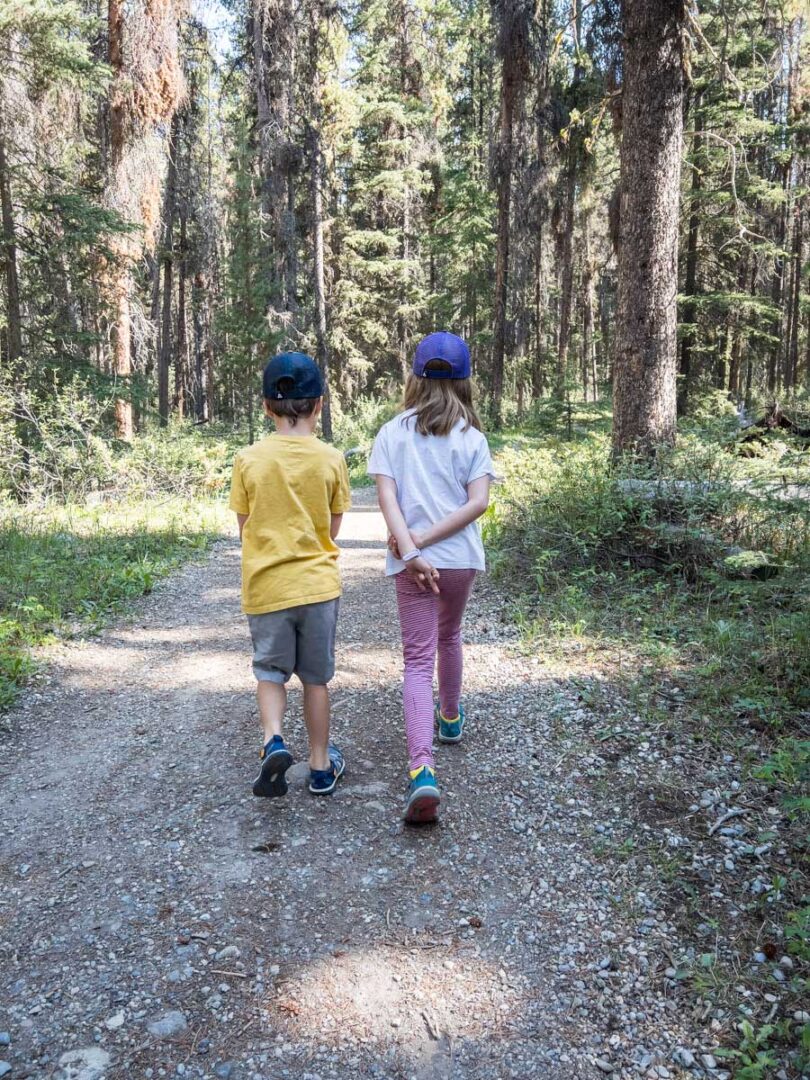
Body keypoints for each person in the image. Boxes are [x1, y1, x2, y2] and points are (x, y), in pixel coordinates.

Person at [368, 332, 495, 824]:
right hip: (460, 558)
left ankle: (423, 770)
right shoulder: (472, 437)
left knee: (417, 660)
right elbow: (477, 503)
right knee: (451, 635)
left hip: (411, 561)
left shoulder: (391, 432)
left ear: (414, 377)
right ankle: (450, 717)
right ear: (465, 381)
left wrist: (411, 546)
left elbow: (387, 503)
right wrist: (425, 543)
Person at [229, 352, 351, 798]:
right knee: (315, 680)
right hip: (318, 587)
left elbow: (245, 528)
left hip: (267, 585)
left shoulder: (248, 459)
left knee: (269, 672)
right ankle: (320, 767)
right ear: (318, 404)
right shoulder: (331, 458)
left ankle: (273, 741)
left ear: (267, 406)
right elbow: (333, 525)